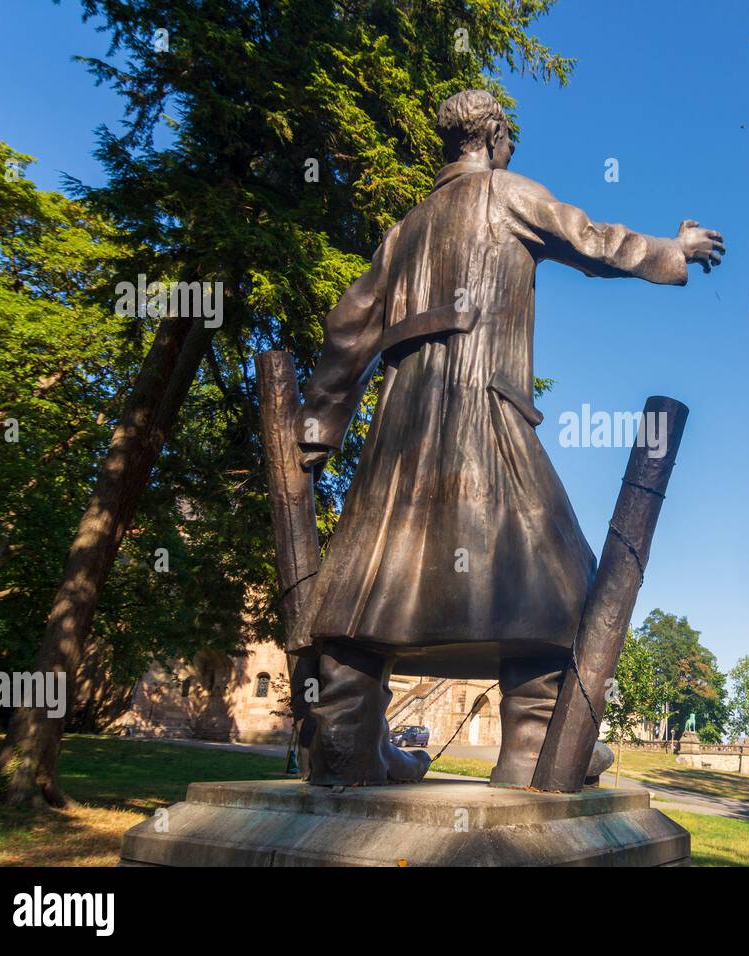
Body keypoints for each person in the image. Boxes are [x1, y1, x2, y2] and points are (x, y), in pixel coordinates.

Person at [293, 89, 725, 788]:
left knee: (373, 566)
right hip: (479, 405)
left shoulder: (406, 228)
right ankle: (532, 745)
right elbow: (596, 242)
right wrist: (673, 249)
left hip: (400, 423)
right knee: (556, 573)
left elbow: (350, 324)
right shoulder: (509, 194)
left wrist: (318, 425)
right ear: (493, 139)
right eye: (508, 143)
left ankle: (347, 742)